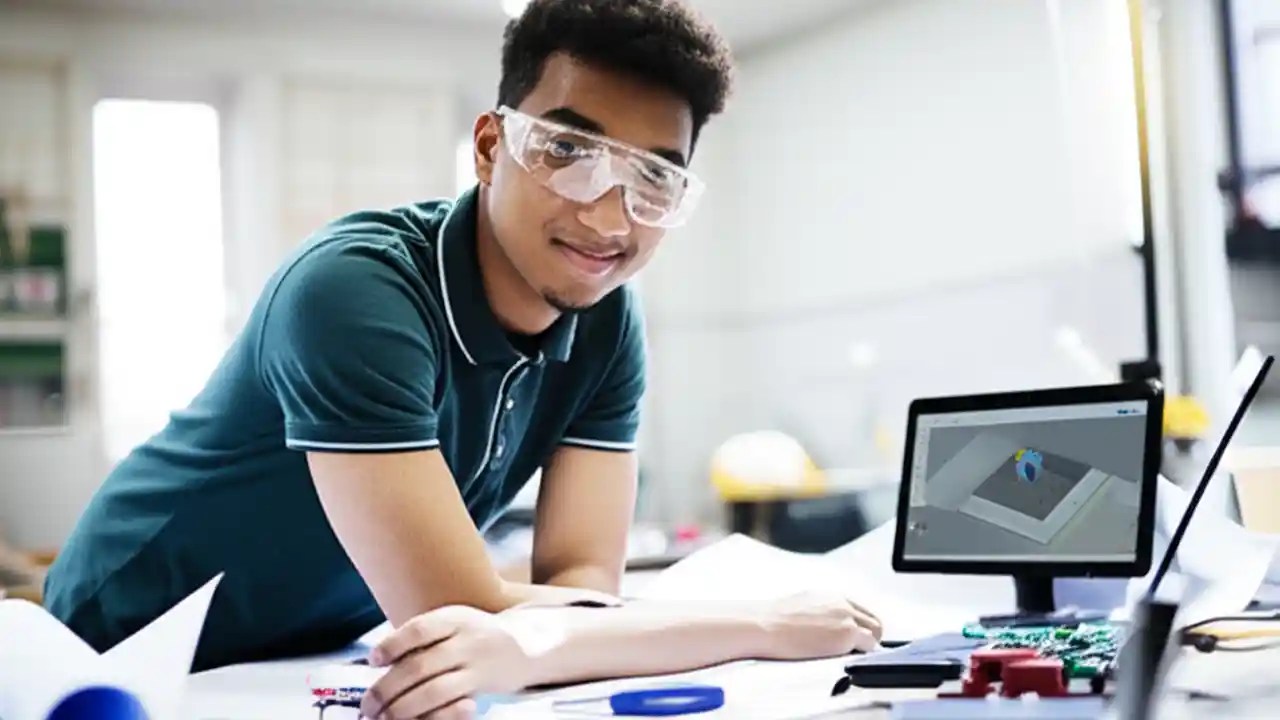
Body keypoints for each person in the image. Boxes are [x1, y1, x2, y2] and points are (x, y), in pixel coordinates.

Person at [45, 0, 882, 688]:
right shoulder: (354, 292)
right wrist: (763, 626)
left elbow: (581, 585)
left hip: (307, 653)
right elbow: (464, 610)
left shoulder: (605, 321)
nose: (606, 217)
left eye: (653, 179)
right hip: (116, 645)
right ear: (490, 147)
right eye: (568, 153)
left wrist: (538, 629)